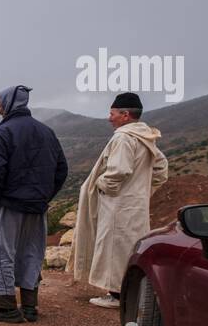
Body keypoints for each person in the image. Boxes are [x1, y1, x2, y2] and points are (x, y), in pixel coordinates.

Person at [0, 84, 69, 323]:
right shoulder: (47, 132)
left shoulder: (1, 134)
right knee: (31, 253)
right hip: (36, 207)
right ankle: (30, 306)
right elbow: (61, 170)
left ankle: (6, 307)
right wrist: (43, 196)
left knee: (1, 253)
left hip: (7, 205)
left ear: (8, 104)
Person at [68, 92, 169, 308]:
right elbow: (161, 168)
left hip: (118, 204)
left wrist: (104, 186)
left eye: (112, 113)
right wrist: (142, 187)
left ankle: (116, 294)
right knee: (129, 245)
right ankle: (130, 291)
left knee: (115, 247)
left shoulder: (123, 137)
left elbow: (119, 171)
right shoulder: (145, 136)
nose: (109, 118)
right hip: (135, 203)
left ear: (125, 115)